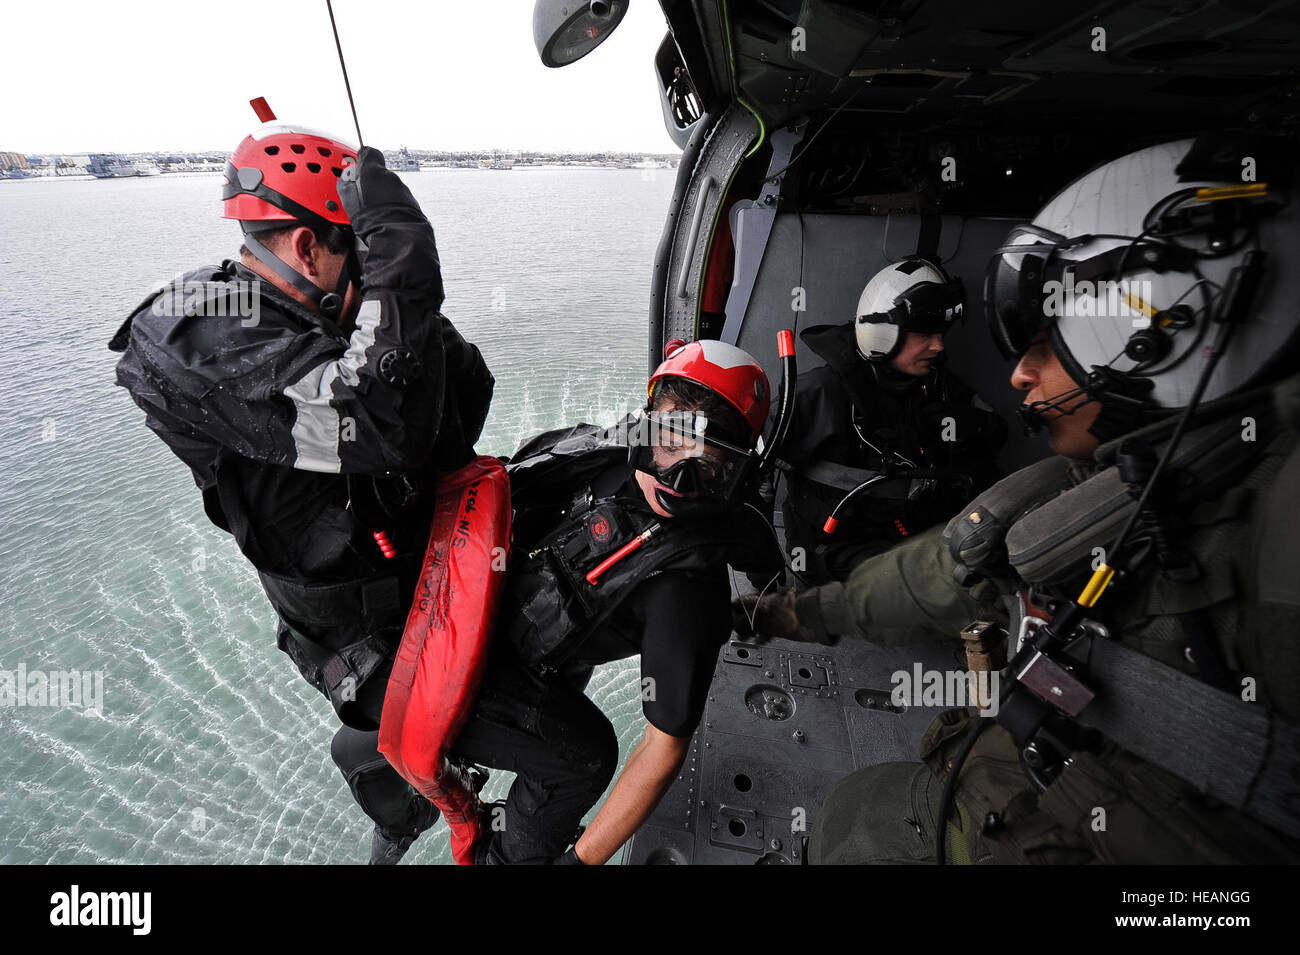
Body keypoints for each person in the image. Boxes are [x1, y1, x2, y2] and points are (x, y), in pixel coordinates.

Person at [740, 135, 1300, 863]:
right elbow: (942, 563)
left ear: (1150, 337)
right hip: (1036, 748)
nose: (1019, 376)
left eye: (1047, 344)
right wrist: (794, 605)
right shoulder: (823, 398)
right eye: (922, 333)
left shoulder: (1271, 513)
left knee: (862, 815)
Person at [109, 120, 494, 863]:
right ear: (308, 246)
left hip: (427, 571)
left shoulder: (321, 315)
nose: (366, 272)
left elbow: (463, 397)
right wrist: (402, 263)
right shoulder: (197, 330)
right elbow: (376, 422)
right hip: (364, 637)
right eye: (357, 251)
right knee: (573, 747)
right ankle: (428, 818)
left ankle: (406, 792)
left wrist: (396, 310)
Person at [449, 339, 782, 864]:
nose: (676, 480)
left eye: (708, 464)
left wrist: (579, 861)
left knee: (584, 757)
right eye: (668, 443)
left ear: (735, 477)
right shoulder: (591, 456)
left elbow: (663, 746)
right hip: (464, 634)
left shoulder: (686, 593)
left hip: (499, 665)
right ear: (644, 426)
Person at [779, 259, 1005, 584]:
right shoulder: (821, 393)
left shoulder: (934, 383)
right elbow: (749, 464)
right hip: (839, 550)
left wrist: (973, 427)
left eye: (940, 332)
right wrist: (760, 561)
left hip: (912, 534)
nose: (938, 345)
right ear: (882, 331)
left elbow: (997, 431)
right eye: (924, 333)